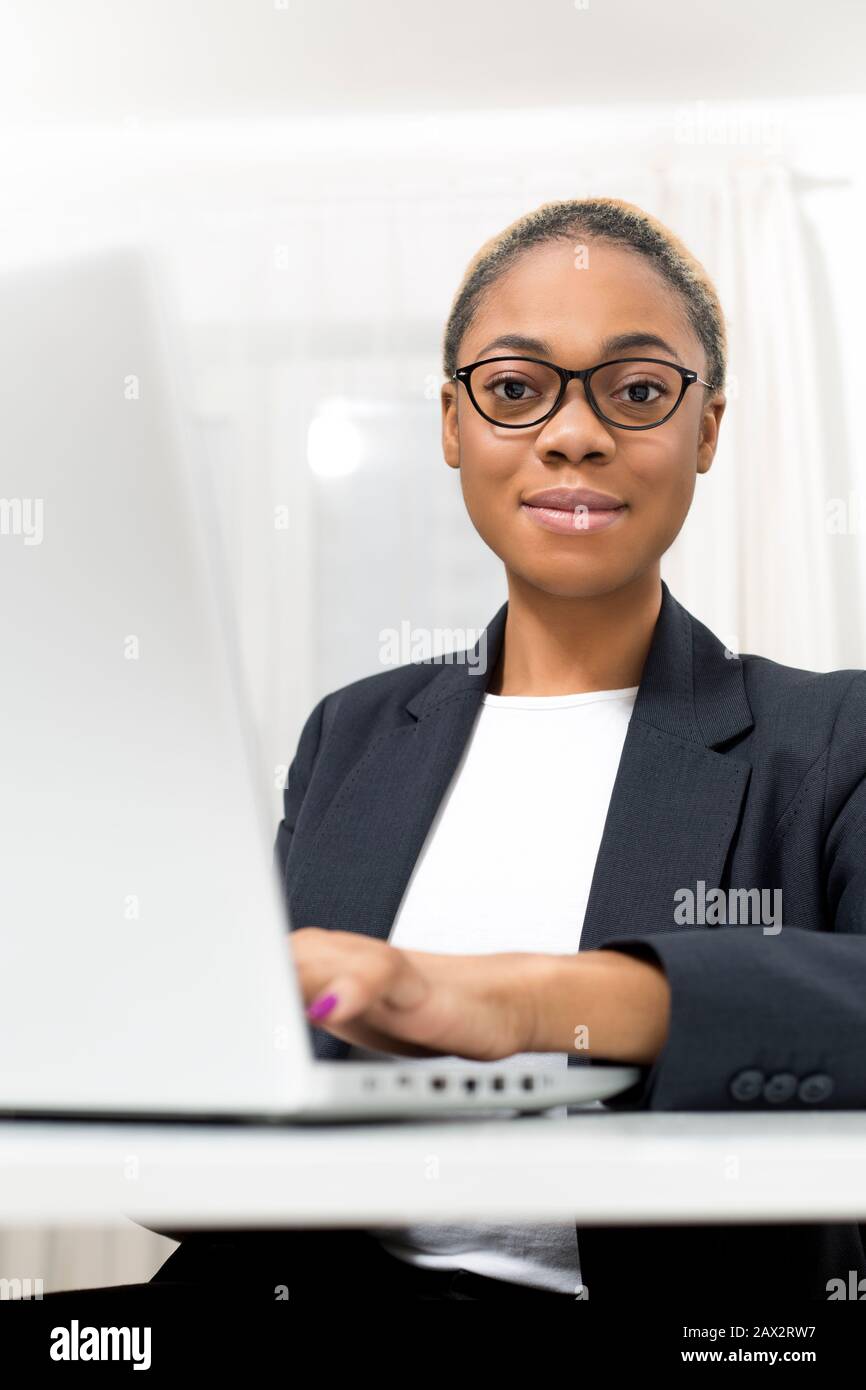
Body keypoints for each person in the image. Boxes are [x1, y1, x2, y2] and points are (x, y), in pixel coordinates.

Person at [150, 196, 864, 1302]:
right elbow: (268, 1083)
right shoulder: (352, 731)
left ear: (706, 429)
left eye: (637, 391)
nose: (572, 433)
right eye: (516, 389)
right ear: (452, 424)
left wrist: (522, 1002)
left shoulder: (824, 737)